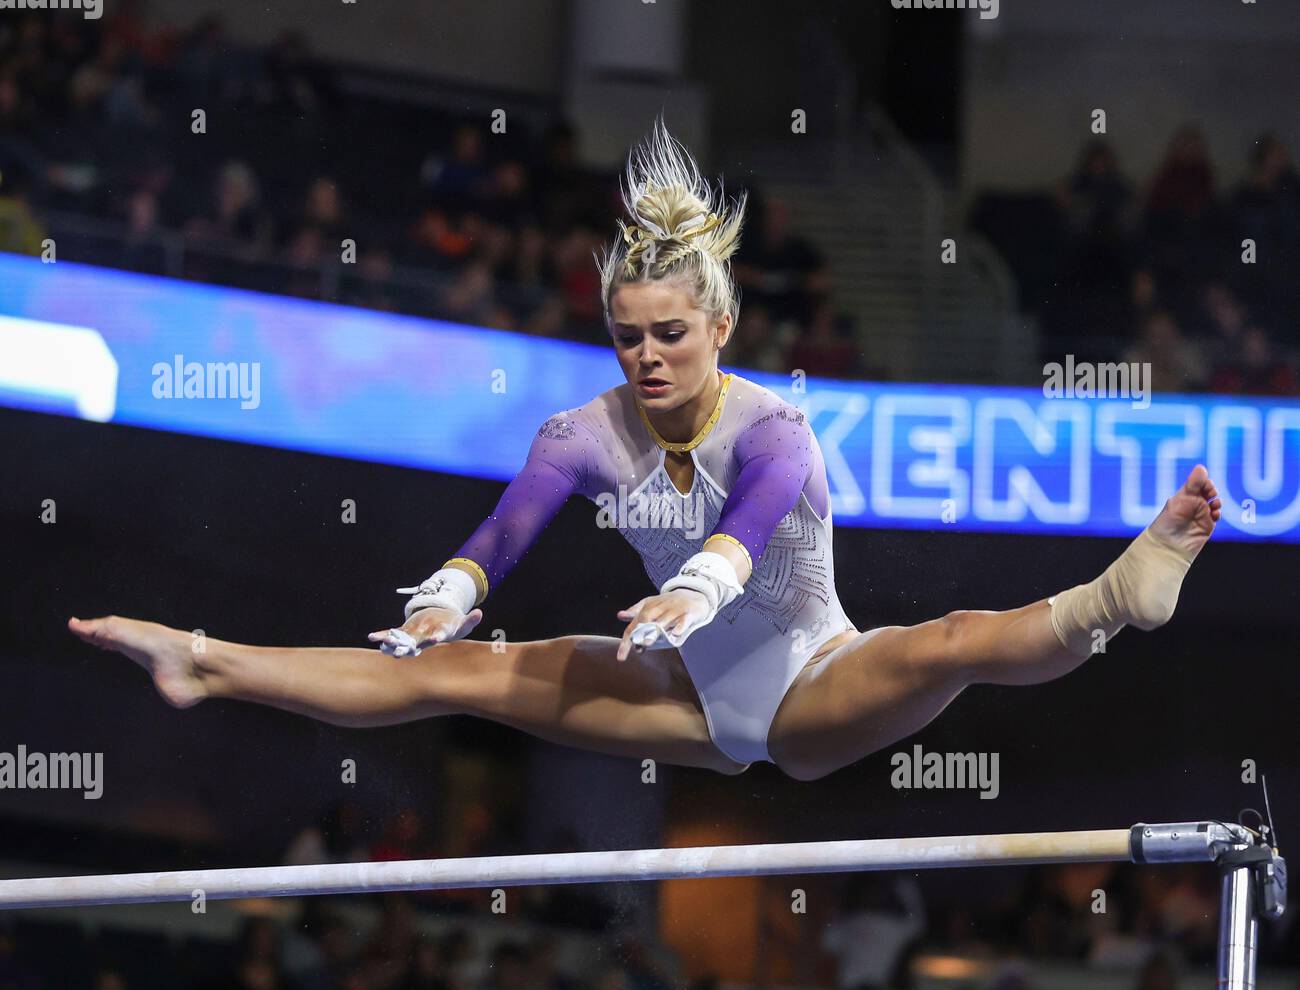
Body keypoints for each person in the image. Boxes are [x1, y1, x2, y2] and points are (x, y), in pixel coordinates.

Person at [68, 116, 1223, 782]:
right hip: (677, 693)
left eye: (671, 333)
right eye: (626, 336)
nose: (647, 357)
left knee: (950, 643)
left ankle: (1116, 595)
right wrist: (445, 599)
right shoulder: (581, 433)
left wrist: (691, 591)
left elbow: (746, 529)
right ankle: (204, 660)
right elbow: (503, 533)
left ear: (721, 325)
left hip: (809, 683)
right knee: (447, 675)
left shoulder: (775, 428)